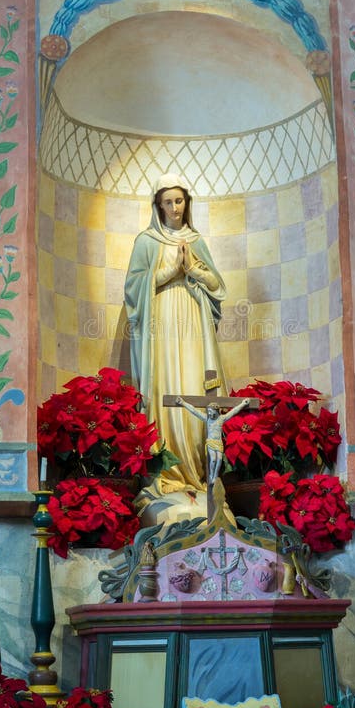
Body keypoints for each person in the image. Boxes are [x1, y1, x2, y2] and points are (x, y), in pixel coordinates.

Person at [124, 173, 227, 500]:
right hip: (162, 327)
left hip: (192, 324)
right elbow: (133, 289)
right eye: (167, 201)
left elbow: (216, 286)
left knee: (195, 386)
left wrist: (193, 270)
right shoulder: (146, 242)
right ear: (158, 205)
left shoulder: (196, 241)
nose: (174, 207)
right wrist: (170, 272)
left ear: (187, 202)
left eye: (179, 200)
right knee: (167, 388)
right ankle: (168, 473)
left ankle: (197, 473)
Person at [175, 396, 251, 485]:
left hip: (218, 443)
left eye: (212, 412)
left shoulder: (221, 419)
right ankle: (211, 475)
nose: (210, 414)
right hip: (211, 442)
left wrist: (242, 404)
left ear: (217, 412)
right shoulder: (207, 419)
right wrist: (183, 403)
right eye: (209, 412)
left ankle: (215, 476)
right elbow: (194, 411)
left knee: (219, 459)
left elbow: (233, 412)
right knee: (213, 459)